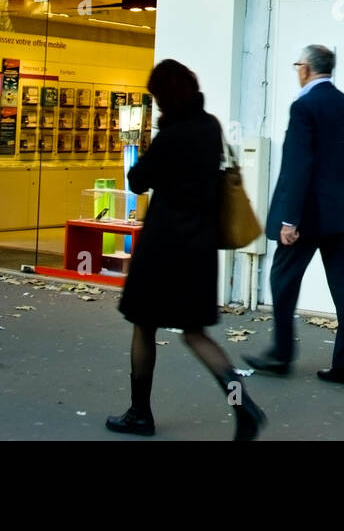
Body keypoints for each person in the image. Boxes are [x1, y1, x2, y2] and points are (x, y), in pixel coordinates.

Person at [107, 59, 266, 440]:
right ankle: (242, 404)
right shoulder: (209, 126)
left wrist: (157, 141)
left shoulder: (172, 135)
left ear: (165, 98)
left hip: (162, 247)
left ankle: (140, 413)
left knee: (143, 325)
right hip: (200, 248)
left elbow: (137, 180)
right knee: (195, 333)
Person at [245, 45, 344, 386]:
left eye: (297, 66)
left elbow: (298, 165)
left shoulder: (304, 107)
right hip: (340, 217)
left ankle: (281, 353)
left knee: (283, 281)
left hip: (304, 218)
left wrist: (290, 219)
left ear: (304, 69)